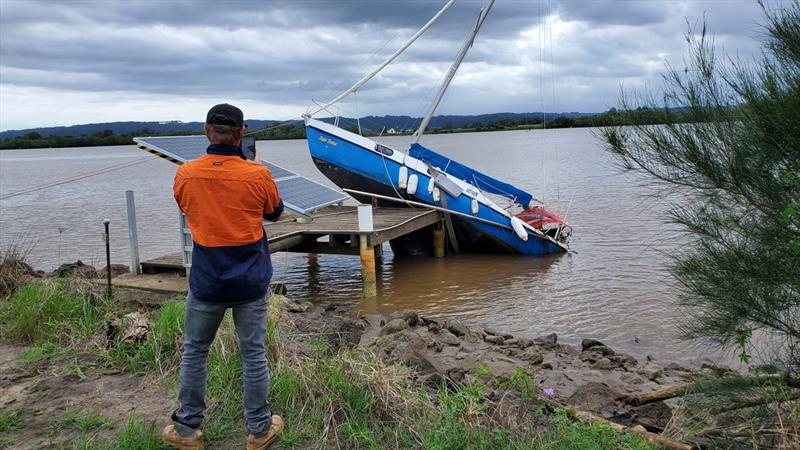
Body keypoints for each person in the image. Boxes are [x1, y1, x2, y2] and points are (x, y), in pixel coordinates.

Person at [162, 103, 285, 450]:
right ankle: (259, 431)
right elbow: (274, 213)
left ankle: (187, 430)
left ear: (205, 131)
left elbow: (187, 206)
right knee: (254, 354)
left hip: (207, 280)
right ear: (241, 133)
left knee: (195, 351)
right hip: (250, 280)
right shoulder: (257, 175)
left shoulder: (186, 173)